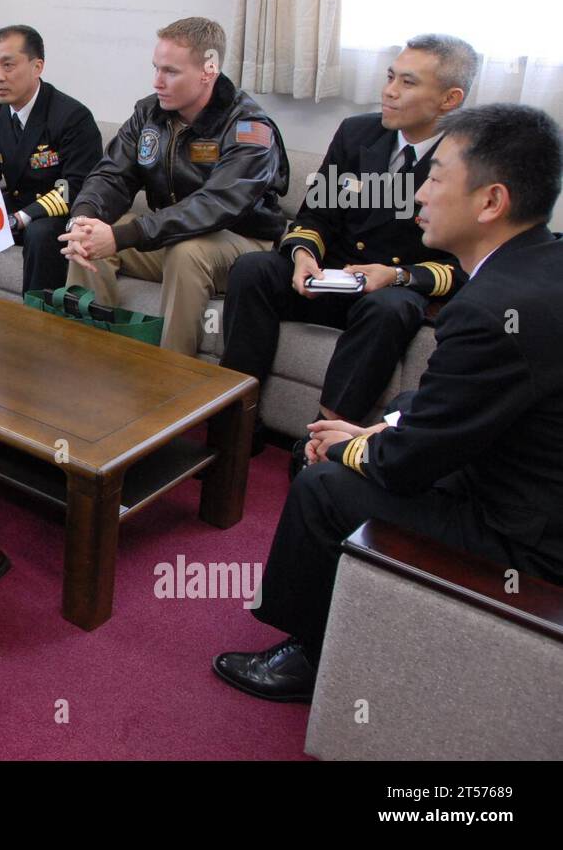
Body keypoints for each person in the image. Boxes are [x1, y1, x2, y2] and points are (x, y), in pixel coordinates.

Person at [213, 104, 563, 702]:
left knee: (319, 475)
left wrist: (349, 441)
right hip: (527, 477)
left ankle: (310, 649)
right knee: (401, 402)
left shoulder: (486, 312)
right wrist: (378, 431)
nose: (420, 191)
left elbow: (406, 464)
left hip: (526, 540)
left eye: (438, 177)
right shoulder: (542, 261)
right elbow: (456, 413)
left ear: (490, 201)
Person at [221, 35, 477, 465]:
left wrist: (394, 276)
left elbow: (464, 265)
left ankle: (322, 441)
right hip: (332, 280)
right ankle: (238, 419)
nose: (389, 91)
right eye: (390, 77)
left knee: (391, 309)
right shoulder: (358, 132)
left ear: (450, 99)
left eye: (408, 83)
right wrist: (303, 256)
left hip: (391, 290)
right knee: (253, 270)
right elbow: (314, 215)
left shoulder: (470, 157)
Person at [59, 16, 288, 355]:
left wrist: (125, 235)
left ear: (208, 71)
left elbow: (215, 204)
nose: (157, 81)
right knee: (89, 239)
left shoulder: (248, 127)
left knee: (188, 253)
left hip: (242, 241)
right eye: (156, 68)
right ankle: (89, 361)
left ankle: (169, 380)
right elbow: (112, 175)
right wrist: (83, 218)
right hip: (169, 231)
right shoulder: (149, 114)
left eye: (171, 71)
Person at [0, 24, 103, 293]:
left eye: (8, 66)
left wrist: (24, 217)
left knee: (42, 234)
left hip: (52, 214)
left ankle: (36, 324)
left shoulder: (71, 116)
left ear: (37, 67)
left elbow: (76, 186)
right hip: (11, 208)